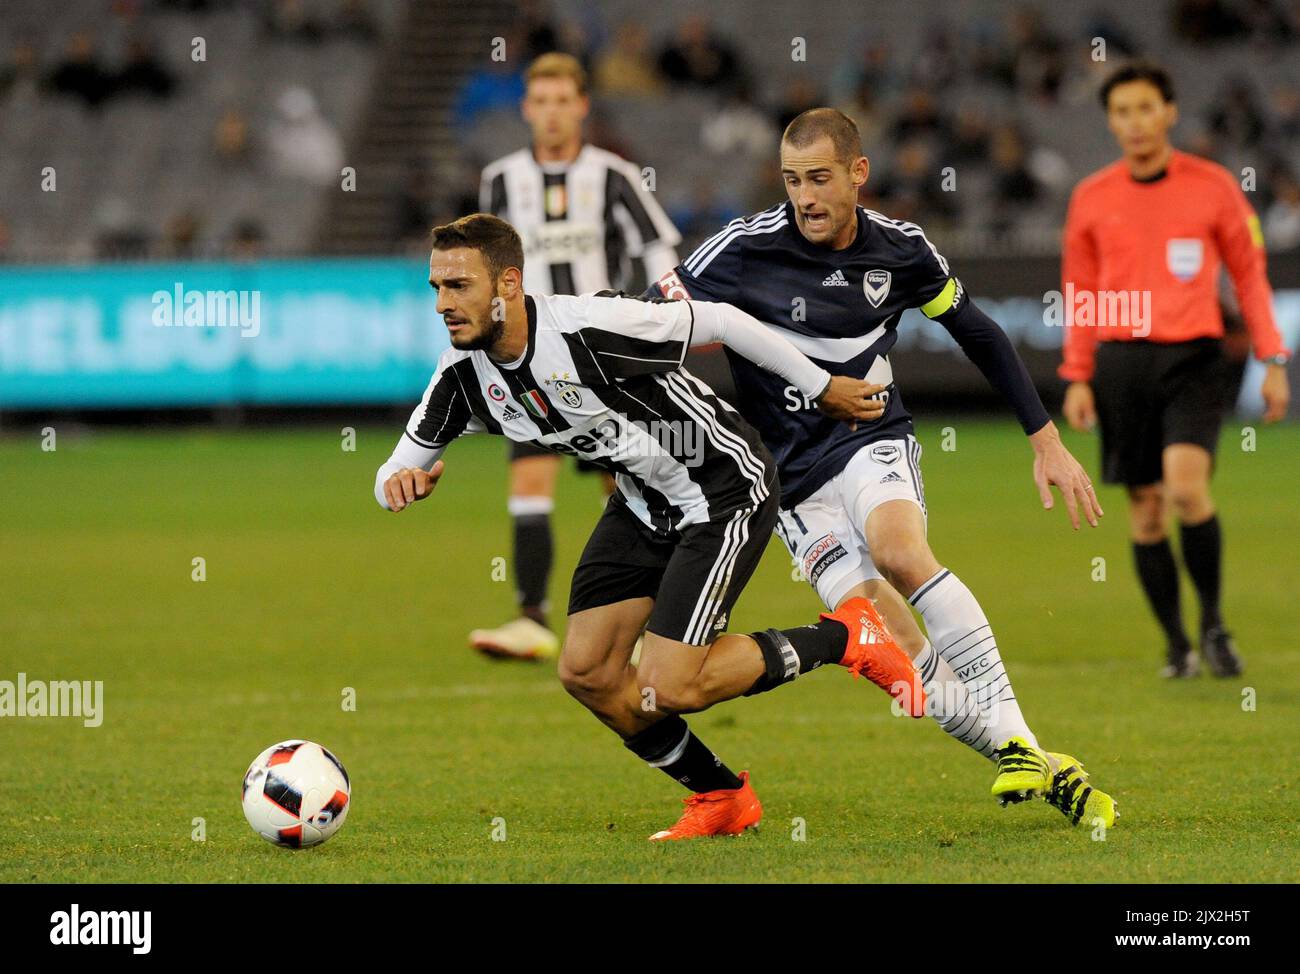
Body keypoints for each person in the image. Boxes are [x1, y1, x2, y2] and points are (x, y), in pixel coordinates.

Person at [375, 213, 922, 839]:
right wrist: (399, 485)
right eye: (436, 288)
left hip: (723, 488)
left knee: (670, 686)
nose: (444, 304)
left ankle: (848, 637)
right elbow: (396, 466)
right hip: (643, 504)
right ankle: (721, 796)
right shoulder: (463, 377)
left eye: (459, 286)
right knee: (588, 672)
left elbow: (720, 320)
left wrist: (821, 386)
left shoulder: (588, 329)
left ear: (507, 284)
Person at [649, 108, 1117, 828]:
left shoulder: (900, 250)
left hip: (868, 437)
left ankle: (1017, 736)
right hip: (790, 485)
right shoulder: (742, 249)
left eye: (820, 178)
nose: (805, 196)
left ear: (858, 174)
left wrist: (1045, 439)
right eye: (792, 180)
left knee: (902, 552)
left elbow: (978, 332)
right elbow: (653, 320)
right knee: (896, 649)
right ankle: (1034, 762)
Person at [1060, 61, 1290, 679]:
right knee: (1145, 512)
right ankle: (1176, 645)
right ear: (1111, 121)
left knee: (1186, 490)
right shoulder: (1092, 197)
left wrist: (1272, 360)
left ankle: (1214, 625)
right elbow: (1080, 289)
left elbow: (1248, 275)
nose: (1134, 123)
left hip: (1194, 358)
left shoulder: (1213, 186)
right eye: (1121, 112)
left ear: (1170, 112)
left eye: (1145, 109)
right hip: (1122, 364)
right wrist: (1078, 373)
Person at [474, 53, 681, 660]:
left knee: (627, 485)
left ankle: (646, 626)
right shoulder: (500, 180)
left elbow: (658, 245)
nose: (553, 113)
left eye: (564, 100)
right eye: (542, 102)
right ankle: (532, 619)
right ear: (526, 109)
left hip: (600, 354)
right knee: (529, 479)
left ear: (583, 105)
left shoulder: (615, 174)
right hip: (526, 353)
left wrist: (657, 319)